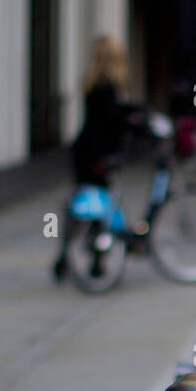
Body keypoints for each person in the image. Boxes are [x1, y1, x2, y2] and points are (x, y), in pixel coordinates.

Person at [53, 35, 145, 281]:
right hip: (97, 153)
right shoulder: (107, 85)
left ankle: (66, 257)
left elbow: (109, 114)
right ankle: (95, 260)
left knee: (87, 204)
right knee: (98, 205)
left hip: (86, 151)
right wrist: (137, 119)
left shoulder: (93, 81)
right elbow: (112, 118)